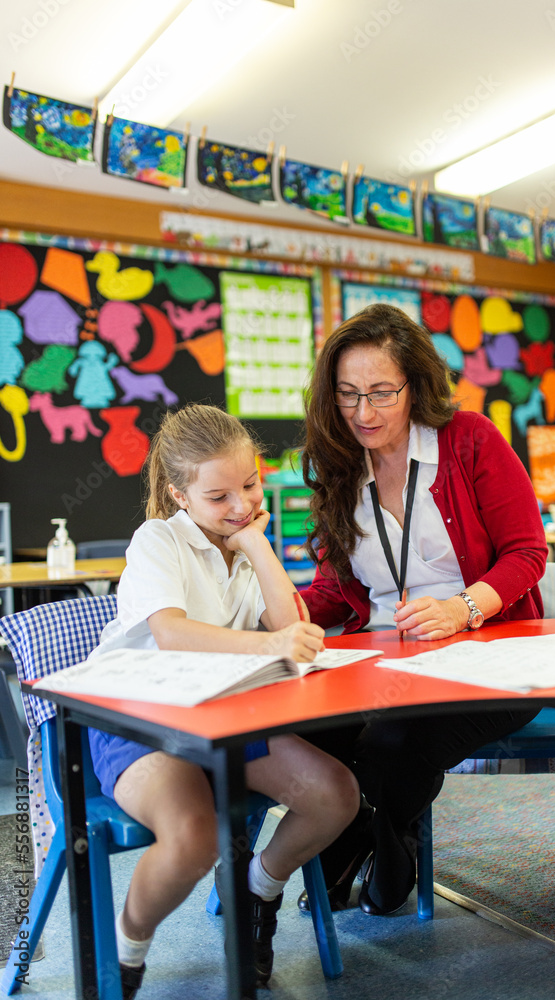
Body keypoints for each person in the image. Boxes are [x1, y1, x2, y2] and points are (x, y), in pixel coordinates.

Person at [86, 403, 359, 997]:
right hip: (137, 720)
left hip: (221, 716)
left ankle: (258, 890)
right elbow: (173, 634)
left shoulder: (241, 542)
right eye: (218, 497)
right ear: (178, 495)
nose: (240, 506)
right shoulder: (159, 540)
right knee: (195, 837)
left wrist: (259, 549)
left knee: (334, 794)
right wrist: (271, 642)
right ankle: (127, 953)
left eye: (250, 484)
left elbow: (298, 634)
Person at [297, 303, 548, 917]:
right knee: (307, 728)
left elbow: (527, 552)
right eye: (348, 394)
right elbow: (339, 590)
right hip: (381, 660)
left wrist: (463, 608)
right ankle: (374, 832)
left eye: (381, 393)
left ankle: (370, 839)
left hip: (492, 657)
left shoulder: (469, 440)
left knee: (393, 738)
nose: (362, 412)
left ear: (417, 385)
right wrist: (268, 609)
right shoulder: (339, 464)